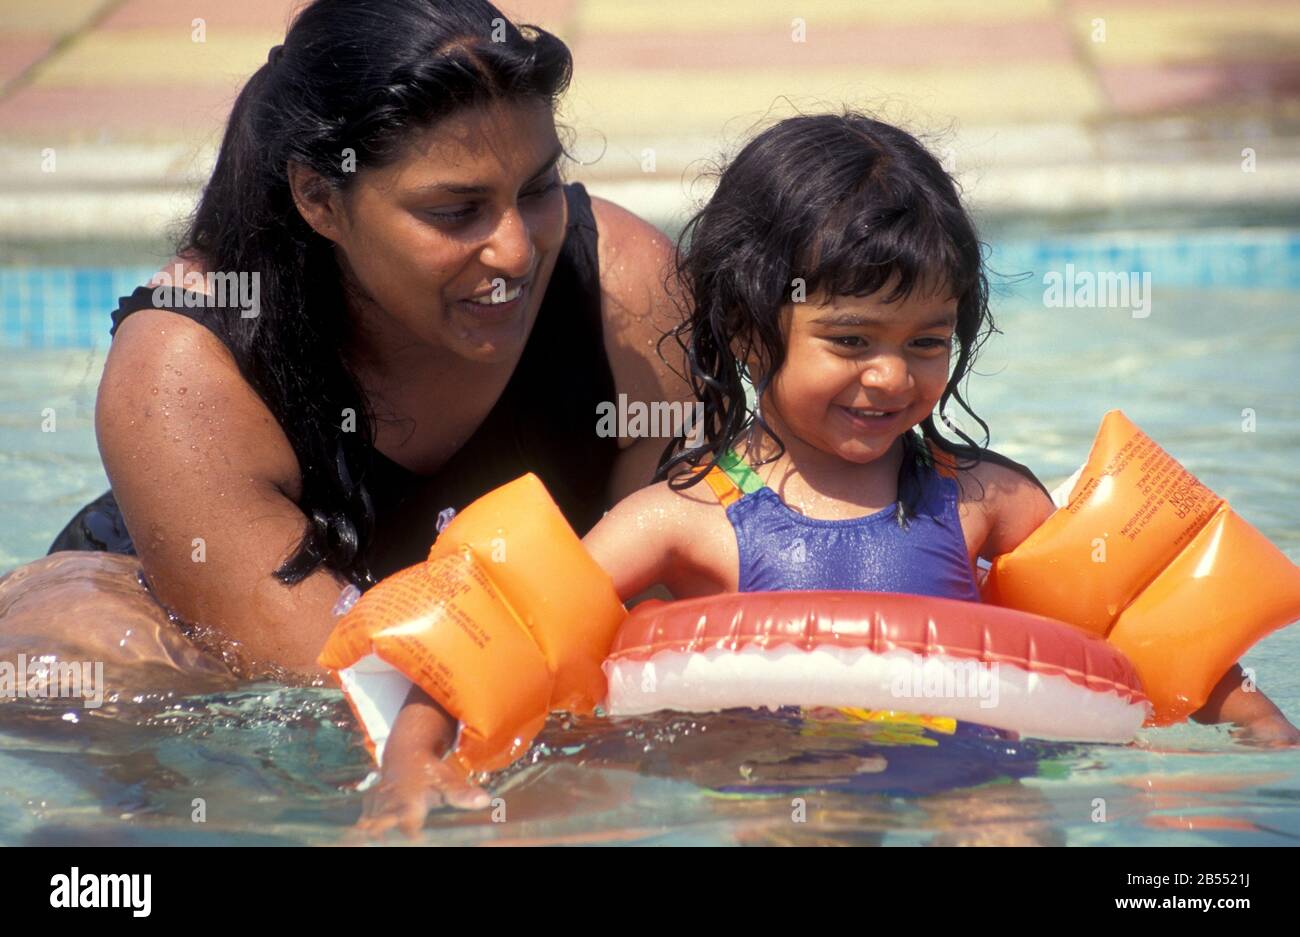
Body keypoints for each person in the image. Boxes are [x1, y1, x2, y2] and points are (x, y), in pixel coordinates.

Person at [361, 111, 1300, 837]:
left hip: (972, 785)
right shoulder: (682, 520)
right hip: (781, 790)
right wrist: (414, 757)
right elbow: (512, 632)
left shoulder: (984, 500)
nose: (892, 376)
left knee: (1007, 837)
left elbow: (1136, 626)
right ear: (745, 332)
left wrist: (1262, 735)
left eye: (927, 342)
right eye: (850, 341)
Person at [3, 0, 690, 678]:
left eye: (539, 189)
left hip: (479, 632)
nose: (515, 251)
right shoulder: (189, 367)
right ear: (320, 200)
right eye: (456, 211)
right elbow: (343, 689)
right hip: (161, 614)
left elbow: (669, 612)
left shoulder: (624, 293)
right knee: (80, 664)